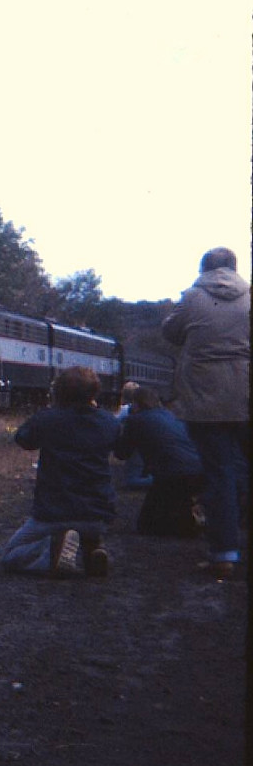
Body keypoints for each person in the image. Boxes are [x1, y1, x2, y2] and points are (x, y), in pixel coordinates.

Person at [162, 247, 250, 580]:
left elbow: (170, 333)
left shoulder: (193, 296)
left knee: (219, 474)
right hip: (245, 394)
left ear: (204, 268)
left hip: (205, 399)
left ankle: (224, 553)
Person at [2, 366, 121, 578]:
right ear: (94, 393)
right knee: (88, 531)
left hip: (54, 513)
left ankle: (55, 548)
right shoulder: (109, 422)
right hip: (98, 514)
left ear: (58, 392)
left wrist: (50, 410)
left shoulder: (48, 419)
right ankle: (90, 549)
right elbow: (122, 450)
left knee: (12, 555)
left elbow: (24, 439)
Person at [116, 386, 204, 536]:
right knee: (174, 501)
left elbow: (122, 453)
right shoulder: (171, 416)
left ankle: (186, 526)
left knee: (146, 525)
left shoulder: (135, 420)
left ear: (136, 404)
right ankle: (189, 520)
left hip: (171, 476)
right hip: (199, 471)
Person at [116, 381, 153, 490]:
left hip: (136, 448)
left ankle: (158, 480)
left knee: (131, 480)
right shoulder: (151, 411)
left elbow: (115, 422)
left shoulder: (125, 410)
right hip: (150, 449)